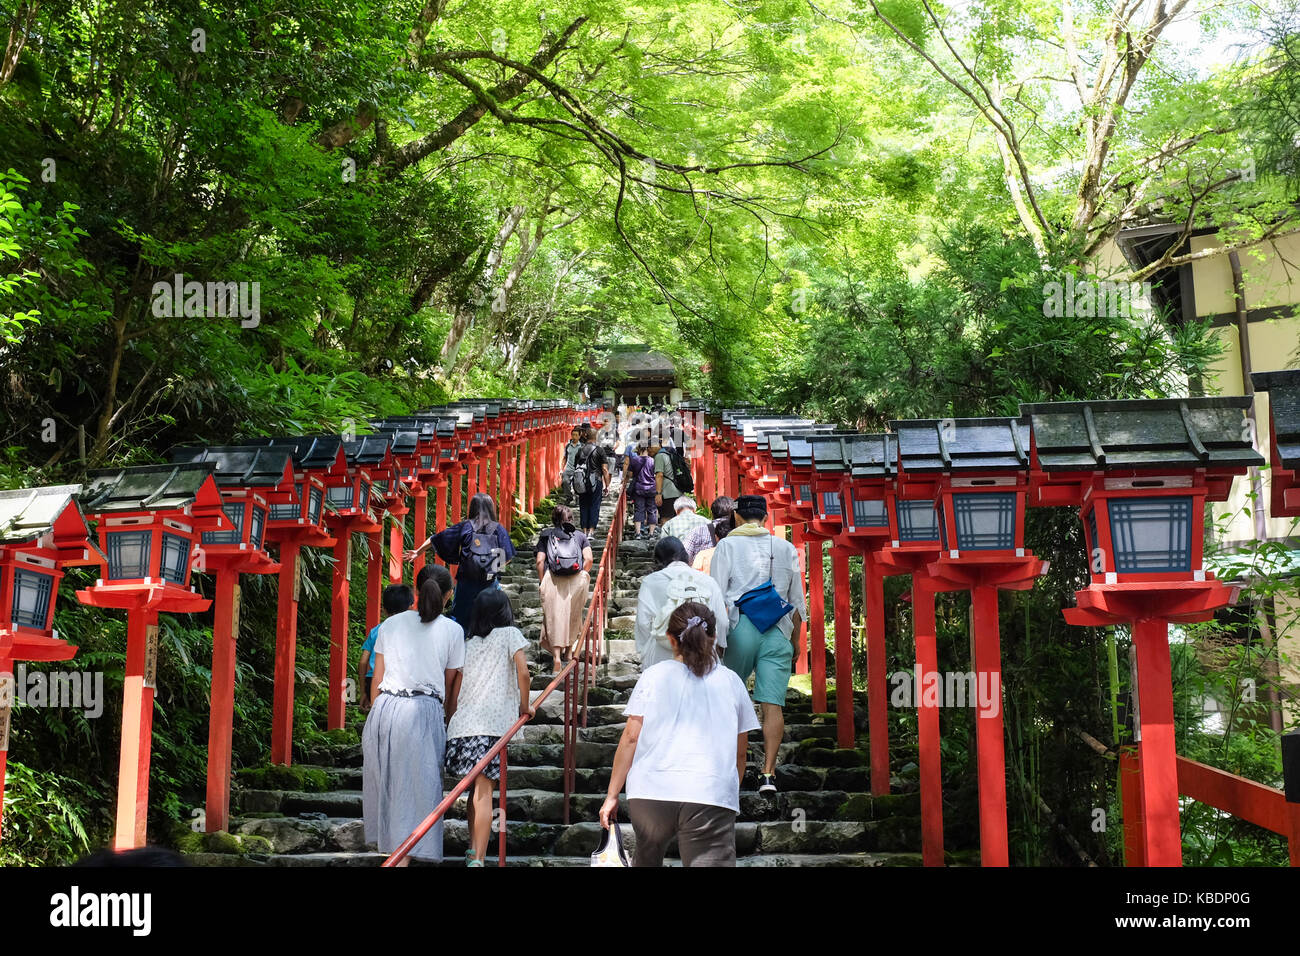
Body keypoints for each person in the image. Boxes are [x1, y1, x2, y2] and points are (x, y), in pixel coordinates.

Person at [599, 603, 759, 867]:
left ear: (671, 640)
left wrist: (612, 795)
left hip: (650, 792)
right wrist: (728, 791)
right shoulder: (731, 682)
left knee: (646, 859)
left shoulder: (653, 676)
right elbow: (740, 752)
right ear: (714, 638)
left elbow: (630, 738)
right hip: (710, 793)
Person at [363, 575, 465, 865]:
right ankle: (403, 857)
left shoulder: (391, 624)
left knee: (392, 785)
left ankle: (397, 855)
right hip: (425, 709)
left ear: (415, 591)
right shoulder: (453, 630)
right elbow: (449, 682)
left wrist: (373, 712)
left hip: (385, 708)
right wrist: (447, 716)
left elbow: (377, 676)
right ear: (448, 594)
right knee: (422, 787)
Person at [709, 493, 806, 796]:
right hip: (778, 629)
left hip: (740, 626)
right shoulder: (786, 548)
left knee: (729, 698)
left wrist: (716, 641)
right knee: (772, 705)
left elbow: (715, 597)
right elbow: (798, 603)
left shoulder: (726, 546)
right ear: (766, 518)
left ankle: (730, 767)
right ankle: (768, 774)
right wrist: (796, 642)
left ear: (736, 516)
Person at [445, 588, 533, 867]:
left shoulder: (468, 644)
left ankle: (473, 849)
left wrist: (449, 720)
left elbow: (456, 689)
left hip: (463, 727)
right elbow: (524, 673)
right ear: (504, 611)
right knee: (485, 793)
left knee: (475, 792)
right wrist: (525, 706)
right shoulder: (509, 635)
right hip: (491, 728)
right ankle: (479, 859)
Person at [404, 493, 514, 632]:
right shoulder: (498, 529)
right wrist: (492, 567)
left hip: (466, 583)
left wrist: (418, 551)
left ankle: (459, 645)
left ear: (472, 508)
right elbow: (508, 556)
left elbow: (437, 539)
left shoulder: (465, 527)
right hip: (490, 583)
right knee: (493, 620)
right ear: (491, 508)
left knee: (460, 621)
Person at [634, 536, 729, 669]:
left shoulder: (650, 582)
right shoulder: (708, 581)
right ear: (685, 556)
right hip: (704, 654)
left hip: (662, 656)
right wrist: (717, 645)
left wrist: (645, 650)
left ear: (658, 560)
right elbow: (722, 622)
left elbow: (643, 623)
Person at [535, 504, 594, 673]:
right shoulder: (580, 536)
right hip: (577, 580)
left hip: (552, 579)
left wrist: (542, 581)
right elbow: (588, 559)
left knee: (553, 617)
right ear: (571, 519)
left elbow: (540, 561)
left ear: (554, 519)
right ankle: (568, 653)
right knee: (573, 615)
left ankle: (556, 658)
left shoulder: (547, 535)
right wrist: (581, 573)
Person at [359, 583, 414, 712]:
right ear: (410, 608)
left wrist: (363, 691)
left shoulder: (376, 631)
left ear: (384, 609)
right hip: (398, 683)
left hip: (372, 680)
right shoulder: (411, 631)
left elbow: (363, 662)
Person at [570, 424, 610, 536]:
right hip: (596, 481)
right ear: (596, 437)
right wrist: (607, 485)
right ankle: (591, 531)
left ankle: (584, 531)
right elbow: (605, 469)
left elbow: (575, 466)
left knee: (583, 505)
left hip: (582, 481)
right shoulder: (599, 450)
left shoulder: (580, 450)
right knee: (594, 505)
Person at [683, 496, 736, 572]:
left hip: (704, 577)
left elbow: (684, 557)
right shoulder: (739, 529)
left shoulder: (698, 531)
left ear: (712, 513)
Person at [621, 442, 659, 539]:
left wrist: (624, 481)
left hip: (639, 488)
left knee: (639, 510)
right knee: (652, 511)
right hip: (651, 488)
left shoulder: (634, 460)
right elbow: (657, 474)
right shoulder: (653, 461)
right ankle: (651, 534)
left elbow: (630, 474)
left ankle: (638, 533)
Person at [653, 435, 682, 519]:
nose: (648, 450)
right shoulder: (671, 453)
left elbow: (659, 475)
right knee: (676, 518)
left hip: (667, 493)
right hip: (678, 490)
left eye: (649, 447)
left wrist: (658, 494)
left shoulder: (659, 456)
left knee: (666, 518)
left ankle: (666, 532)